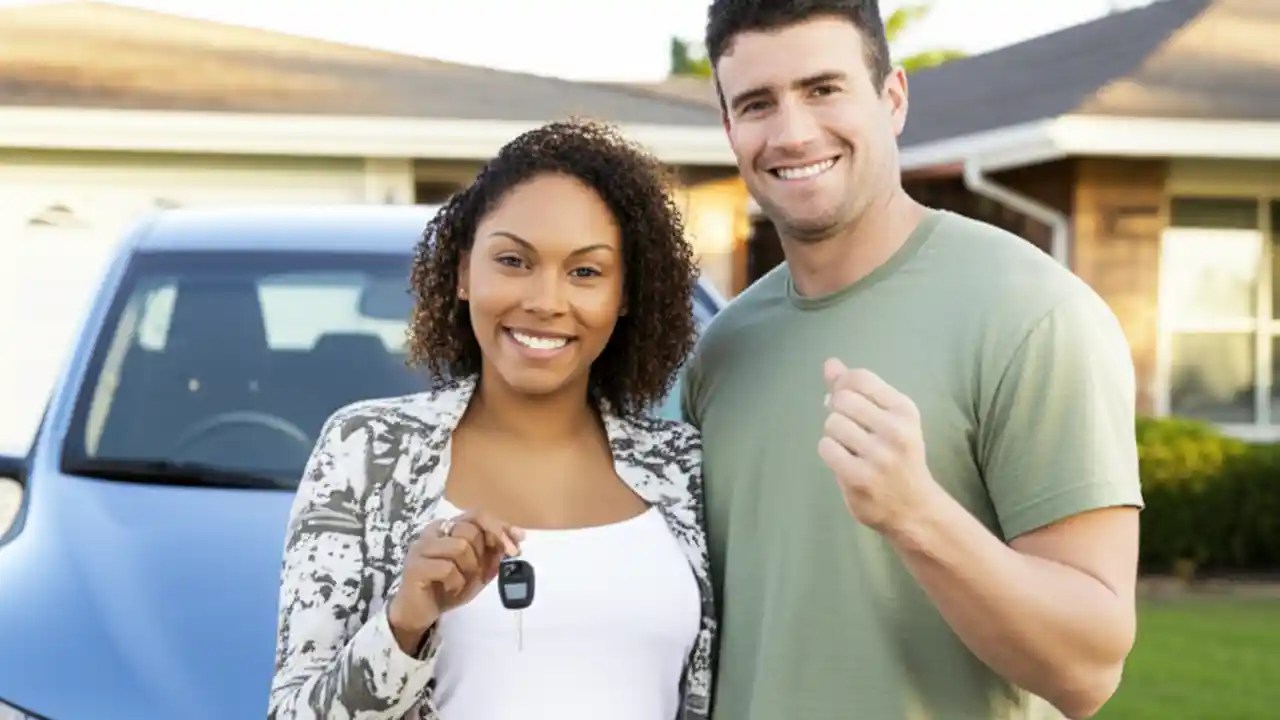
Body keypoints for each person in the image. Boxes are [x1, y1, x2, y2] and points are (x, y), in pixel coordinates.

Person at [681, 2, 1145, 718]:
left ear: (892, 98)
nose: (793, 131)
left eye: (823, 89)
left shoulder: (1033, 314)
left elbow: (1087, 671)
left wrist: (916, 513)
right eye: (757, 103)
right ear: (730, 129)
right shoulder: (723, 350)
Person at [268, 119, 715, 720]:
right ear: (462, 273)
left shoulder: (685, 468)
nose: (546, 300)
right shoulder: (366, 452)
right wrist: (405, 621)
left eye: (585, 271)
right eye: (513, 260)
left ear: (626, 295)